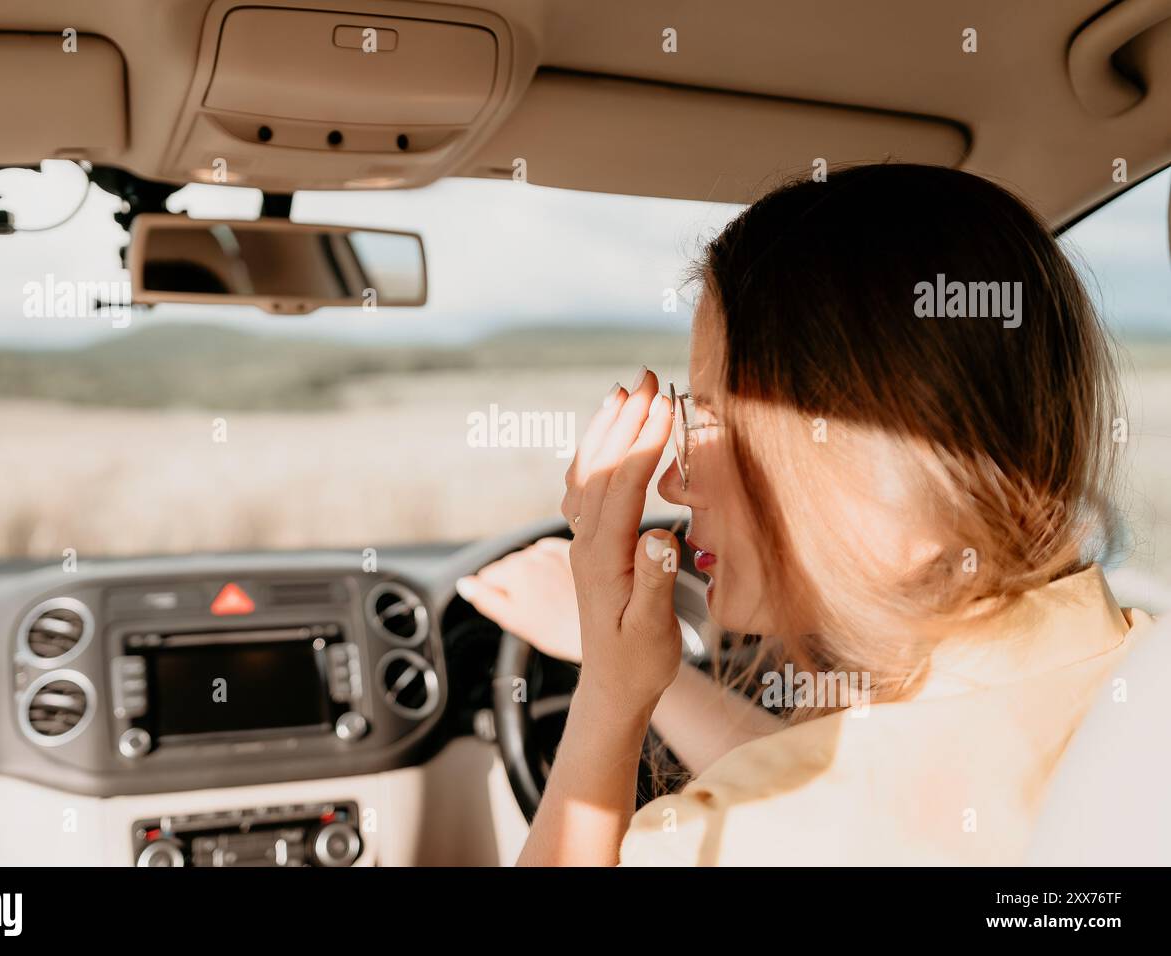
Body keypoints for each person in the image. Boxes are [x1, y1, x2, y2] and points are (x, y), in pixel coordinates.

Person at [456, 163, 1157, 866]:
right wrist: (654, 678)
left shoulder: (756, 834)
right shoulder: (1139, 672)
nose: (674, 482)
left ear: (891, 472)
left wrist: (608, 693)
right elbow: (865, 779)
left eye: (707, 423)